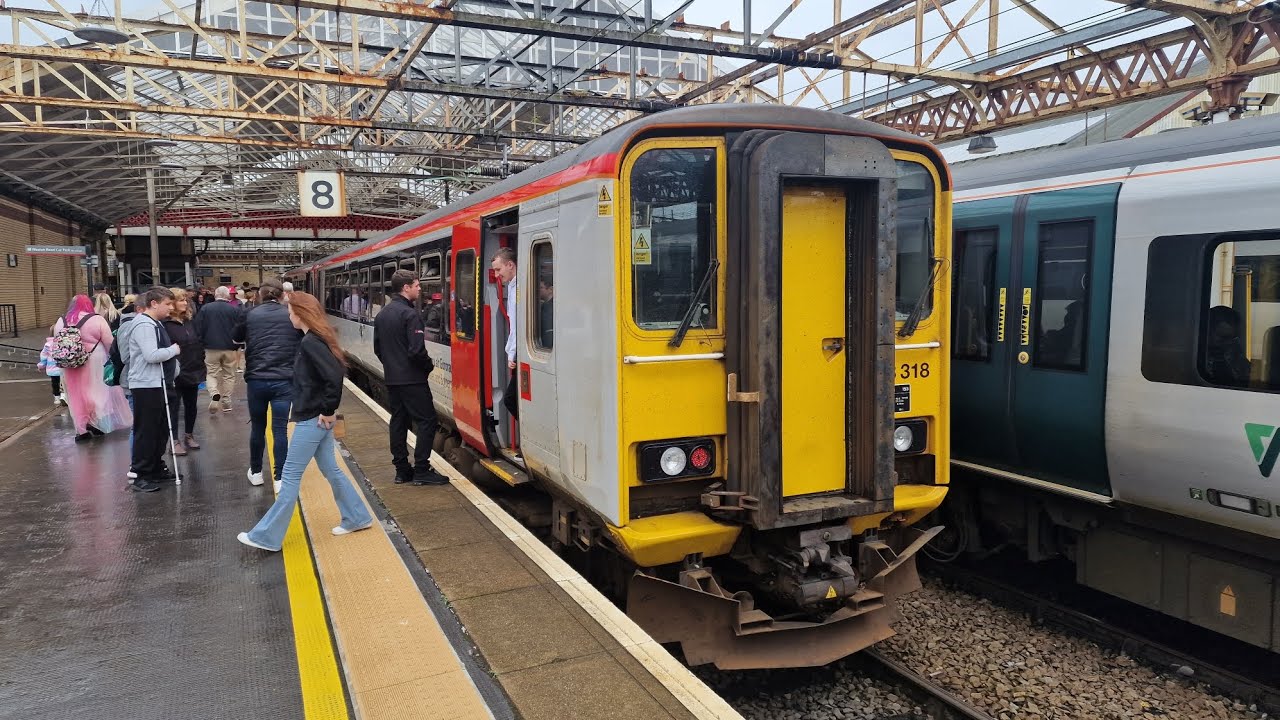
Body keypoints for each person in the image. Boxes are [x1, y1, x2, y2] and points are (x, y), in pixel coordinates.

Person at [236, 292, 375, 552]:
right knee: (331, 470)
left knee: (289, 476)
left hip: (313, 417)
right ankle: (357, 517)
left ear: (300, 314)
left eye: (290, 312)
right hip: (317, 416)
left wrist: (328, 409)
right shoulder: (315, 338)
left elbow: (334, 376)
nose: (288, 316)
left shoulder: (311, 342)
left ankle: (266, 537)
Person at [374, 269, 448, 486]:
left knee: (398, 420)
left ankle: (401, 470)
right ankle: (422, 470)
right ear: (405, 288)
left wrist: (392, 367)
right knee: (427, 421)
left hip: (393, 378)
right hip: (413, 379)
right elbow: (416, 351)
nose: (419, 289)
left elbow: (378, 349)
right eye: (416, 285)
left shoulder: (382, 315)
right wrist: (427, 367)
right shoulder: (410, 315)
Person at [235, 279, 300, 488]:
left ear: (260, 295)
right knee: (279, 429)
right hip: (284, 380)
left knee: (258, 428)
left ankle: (256, 472)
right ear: (283, 295)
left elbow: (235, 339)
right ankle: (280, 477)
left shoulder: (249, 313)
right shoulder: (290, 315)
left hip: (257, 379)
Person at [122, 287, 180, 493]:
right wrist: (173, 349)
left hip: (159, 383)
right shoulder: (144, 325)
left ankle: (155, 466)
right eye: (167, 304)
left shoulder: (155, 323)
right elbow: (151, 355)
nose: (170, 308)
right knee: (146, 430)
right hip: (147, 384)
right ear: (154, 304)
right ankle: (140, 473)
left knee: (160, 428)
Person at [52, 295, 132, 442]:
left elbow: (56, 341)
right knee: (96, 392)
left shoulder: (61, 320)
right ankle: (95, 422)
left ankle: (80, 429)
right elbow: (110, 344)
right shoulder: (96, 319)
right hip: (93, 361)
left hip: (69, 363)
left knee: (75, 394)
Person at [163, 288, 206, 456]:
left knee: (191, 406)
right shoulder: (165, 324)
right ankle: (173, 441)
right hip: (175, 372)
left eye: (185, 300)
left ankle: (189, 434)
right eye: (181, 300)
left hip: (193, 369)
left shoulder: (189, 321)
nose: (185, 303)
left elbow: (198, 342)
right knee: (173, 407)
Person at [194, 286, 242, 412]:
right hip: (230, 347)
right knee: (229, 375)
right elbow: (239, 328)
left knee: (211, 373)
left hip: (210, 347)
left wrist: (201, 343)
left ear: (215, 295)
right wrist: (237, 344)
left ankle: (214, 393)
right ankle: (226, 400)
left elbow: (199, 328)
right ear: (228, 296)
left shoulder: (205, 309)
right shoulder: (234, 310)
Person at [490, 247, 519, 423]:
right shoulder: (512, 286)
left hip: (519, 355)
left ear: (510, 264)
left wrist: (512, 352)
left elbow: (517, 324)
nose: (496, 275)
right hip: (516, 354)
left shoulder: (519, 287)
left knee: (510, 399)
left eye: (498, 269)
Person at [537, 276, 554, 349]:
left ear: (550, 289)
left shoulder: (549, 307)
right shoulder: (545, 305)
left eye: (541, 287)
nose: (538, 290)